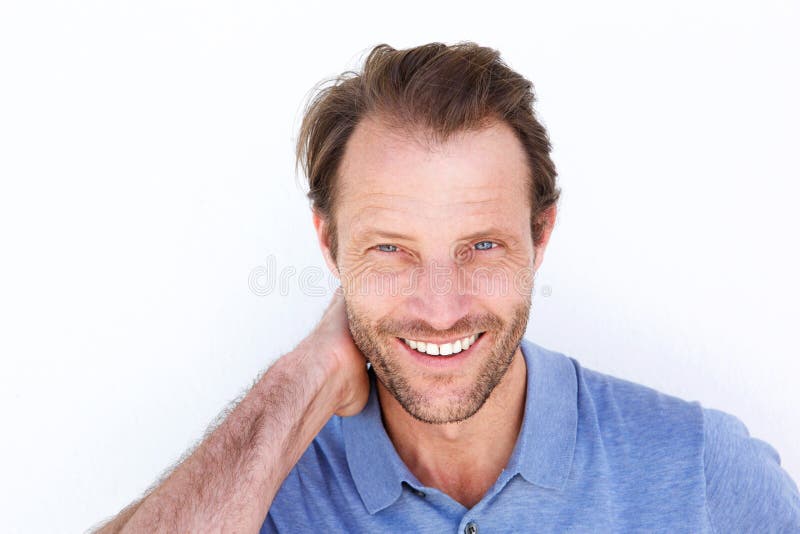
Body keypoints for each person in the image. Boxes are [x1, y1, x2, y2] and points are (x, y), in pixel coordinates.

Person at [93, 42, 800, 533]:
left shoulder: (701, 468)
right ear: (329, 246)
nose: (439, 307)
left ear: (541, 237)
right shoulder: (260, 484)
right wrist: (304, 377)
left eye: (482, 246)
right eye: (391, 250)